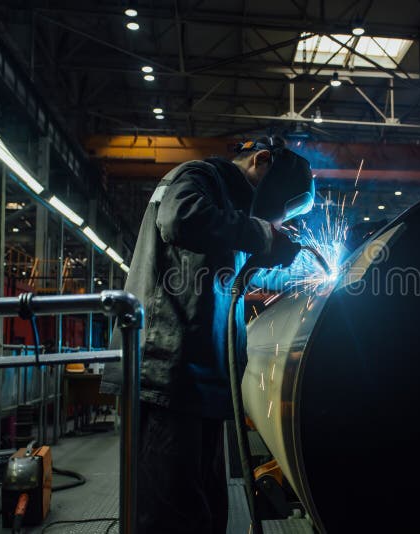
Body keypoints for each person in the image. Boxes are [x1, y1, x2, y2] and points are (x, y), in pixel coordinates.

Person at [101, 136, 311, 533]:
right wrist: (263, 236)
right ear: (260, 160)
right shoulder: (196, 177)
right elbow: (179, 219)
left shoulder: (228, 213)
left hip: (201, 380)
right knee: (172, 515)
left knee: (208, 511)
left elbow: (237, 274)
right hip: (166, 372)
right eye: (274, 215)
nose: (273, 224)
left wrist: (292, 271)